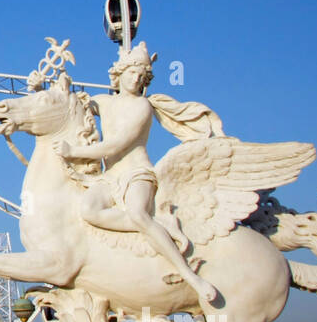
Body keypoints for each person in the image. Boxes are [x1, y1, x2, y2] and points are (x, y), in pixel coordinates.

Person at [54, 44, 218, 305]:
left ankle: (190, 276)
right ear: (119, 73)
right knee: (87, 211)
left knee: (139, 214)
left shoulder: (142, 107)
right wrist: (57, 85)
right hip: (110, 178)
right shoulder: (104, 102)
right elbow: (71, 105)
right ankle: (162, 227)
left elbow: (116, 145)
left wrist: (73, 151)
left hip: (137, 173)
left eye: (142, 77)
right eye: (133, 73)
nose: (137, 79)